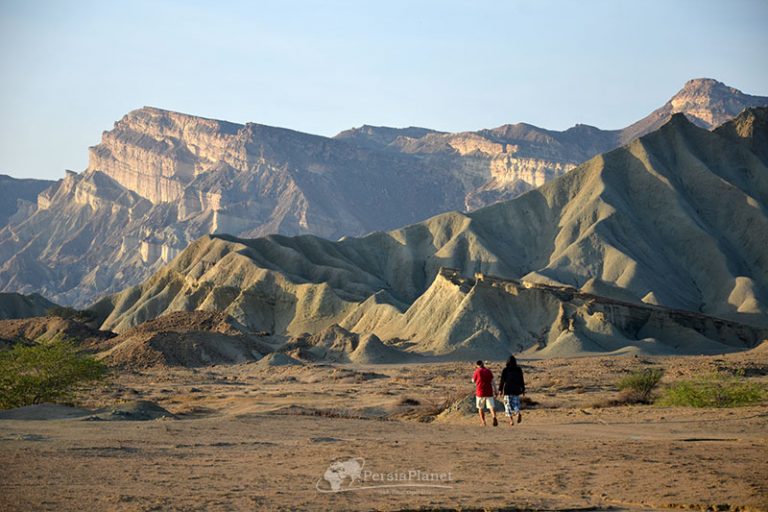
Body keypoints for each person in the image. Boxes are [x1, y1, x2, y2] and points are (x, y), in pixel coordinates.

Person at [498, 355, 526, 426]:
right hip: (516, 390)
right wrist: (523, 389)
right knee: (515, 404)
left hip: (508, 389)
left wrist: (500, 390)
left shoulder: (505, 370)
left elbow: (502, 381)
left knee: (507, 405)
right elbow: (521, 380)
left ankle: (511, 420)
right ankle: (518, 413)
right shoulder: (518, 369)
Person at [472, 360, 498, 427]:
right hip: (489, 391)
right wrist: (496, 390)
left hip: (480, 392)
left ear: (477, 365)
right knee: (491, 407)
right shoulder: (488, 371)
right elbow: (493, 382)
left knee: (480, 408)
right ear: (483, 364)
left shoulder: (477, 371)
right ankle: (494, 417)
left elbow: (473, 380)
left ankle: (483, 422)